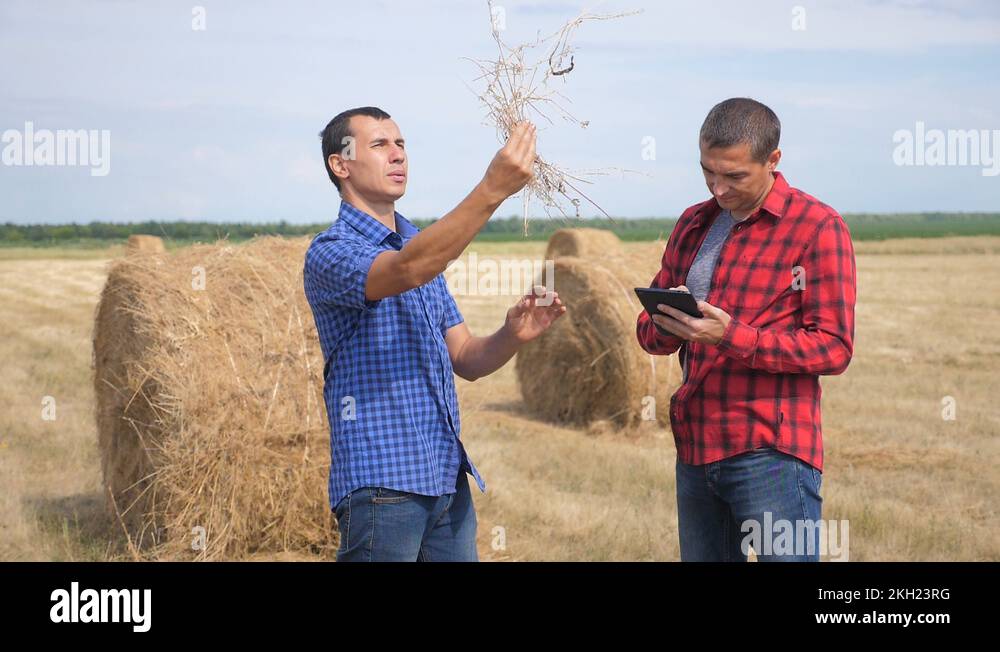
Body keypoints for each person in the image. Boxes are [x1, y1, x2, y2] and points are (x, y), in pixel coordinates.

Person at [304, 107, 566, 561]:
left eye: (401, 144)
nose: (397, 155)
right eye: (380, 145)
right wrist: (493, 189)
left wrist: (511, 334)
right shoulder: (331, 253)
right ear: (340, 164)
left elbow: (466, 357)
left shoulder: (419, 246)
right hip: (382, 486)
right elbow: (406, 269)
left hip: (447, 482)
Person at [636, 98, 857, 561]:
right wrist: (670, 324)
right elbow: (648, 333)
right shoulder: (694, 224)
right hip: (695, 446)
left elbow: (834, 348)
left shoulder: (817, 227)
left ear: (773, 161)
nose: (718, 188)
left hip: (770, 453)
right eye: (708, 172)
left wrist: (732, 336)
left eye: (734, 176)